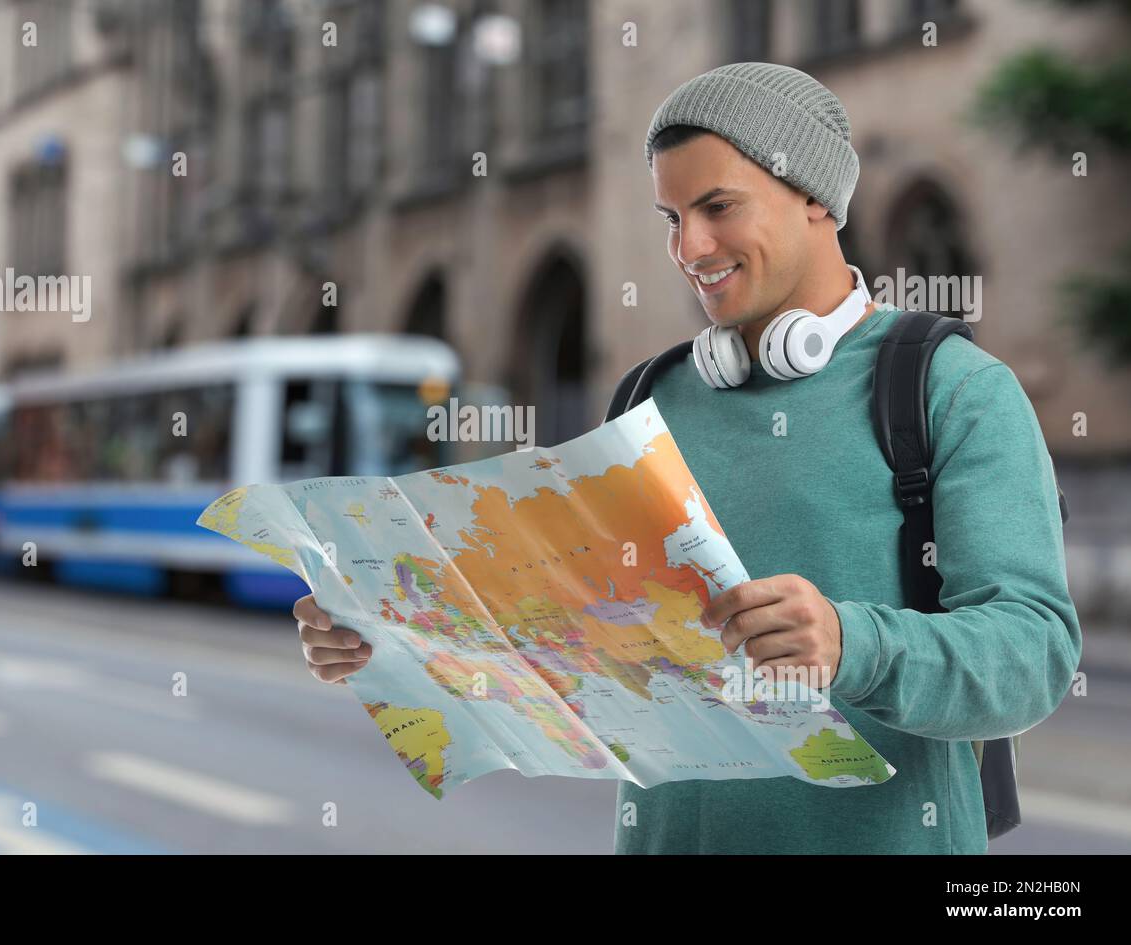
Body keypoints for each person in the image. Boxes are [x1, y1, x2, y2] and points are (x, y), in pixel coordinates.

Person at [293, 62, 1081, 854]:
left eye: (717, 207)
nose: (688, 246)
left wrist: (852, 643)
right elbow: (568, 645)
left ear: (814, 197)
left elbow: (1035, 652)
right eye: (671, 215)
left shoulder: (953, 389)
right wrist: (393, 640)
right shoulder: (646, 398)